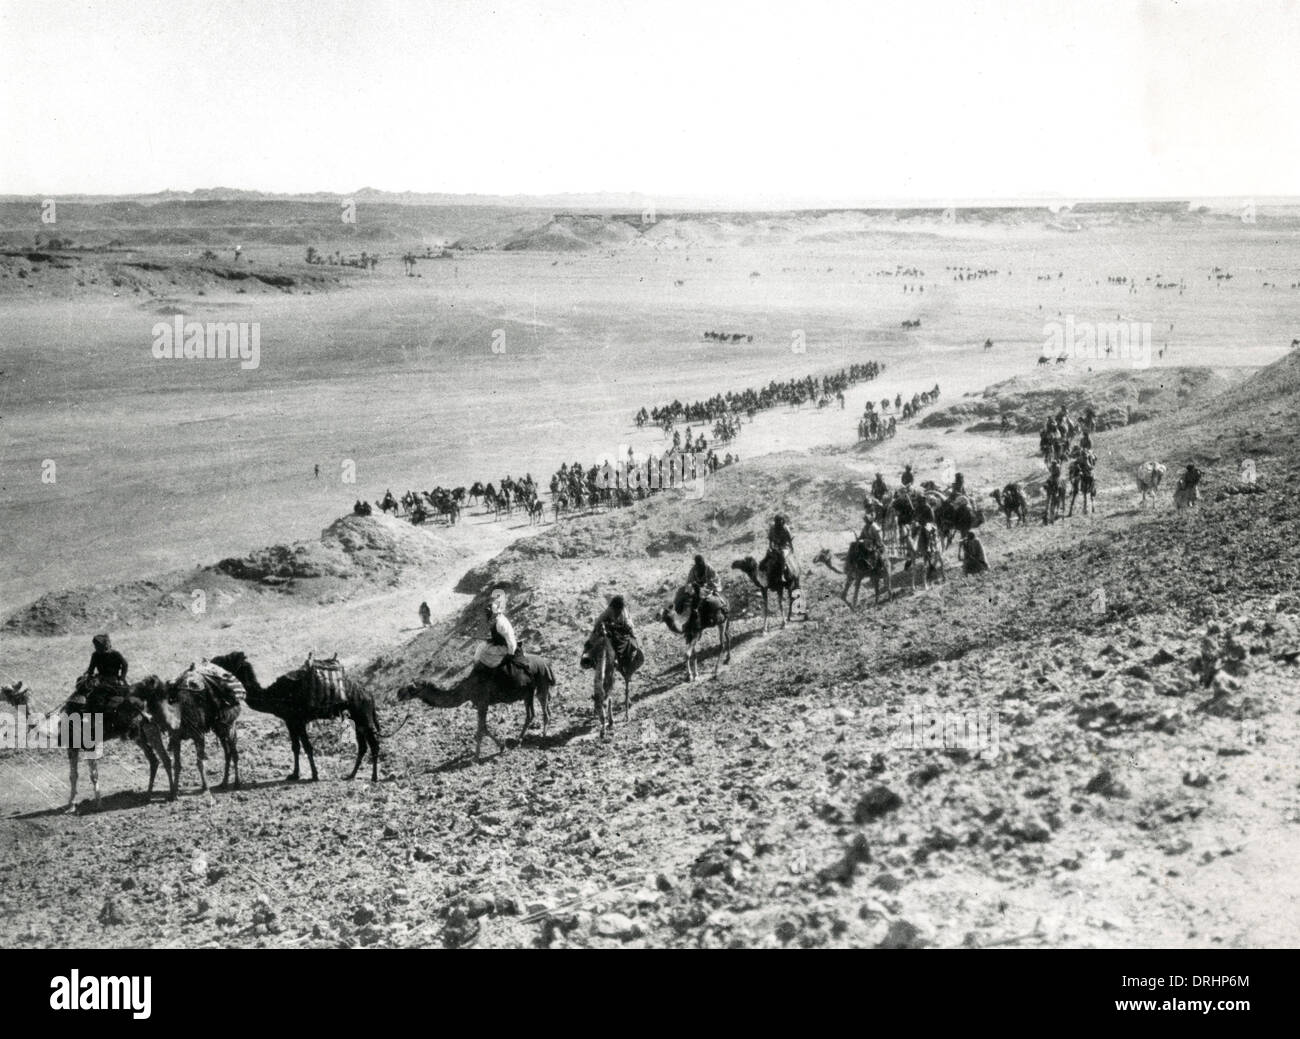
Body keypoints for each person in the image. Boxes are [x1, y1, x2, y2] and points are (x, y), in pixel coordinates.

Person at [475, 590, 529, 689]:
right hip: (500, 644)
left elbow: (511, 641)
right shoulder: (495, 621)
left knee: (484, 653)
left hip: (506, 648)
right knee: (481, 647)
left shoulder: (501, 624)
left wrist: (510, 655)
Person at [589, 594, 640, 672]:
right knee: (594, 640)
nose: (616, 611)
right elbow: (600, 620)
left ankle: (624, 663)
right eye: (615, 609)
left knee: (630, 644)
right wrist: (597, 628)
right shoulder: (609, 610)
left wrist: (630, 630)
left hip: (620, 632)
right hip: (609, 631)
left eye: (618, 610)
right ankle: (589, 657)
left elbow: (629, 624)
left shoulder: (624, 613)